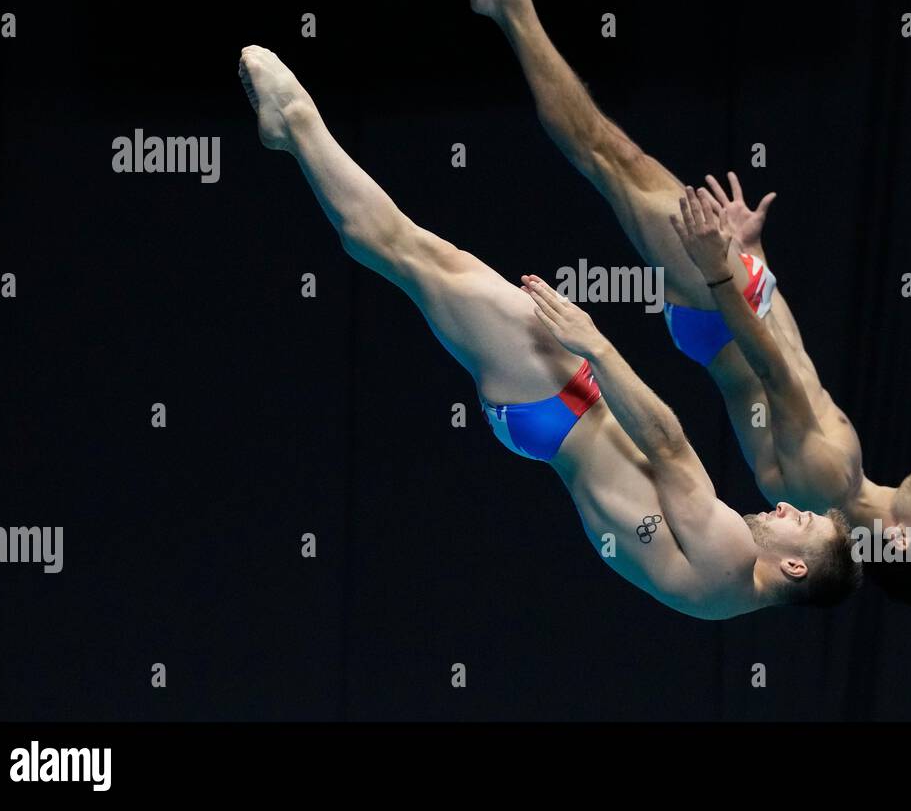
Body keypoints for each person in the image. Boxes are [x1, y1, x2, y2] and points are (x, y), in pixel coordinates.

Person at [451, 0, 911, 604]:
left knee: (607, 156)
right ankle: (509, 8)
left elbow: (768, 367)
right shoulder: (843, 487)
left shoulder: (831, 477)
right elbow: (786, 363)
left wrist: (719, 271)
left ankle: (510, 4)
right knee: (613, 159)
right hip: (736, 299)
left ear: (906, 546)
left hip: (722, 302)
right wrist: (756, 261)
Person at [237, 44, 860, 619]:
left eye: (799, 522)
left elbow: (668, 442)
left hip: (563, 401)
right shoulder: (719, 602)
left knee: (415, 255)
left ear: (795, 566)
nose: (785, 508)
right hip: (551, 426)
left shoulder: (729, 554)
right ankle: (295, 133)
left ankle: (294, 123)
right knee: (419, 263)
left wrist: (594, 343)